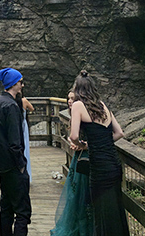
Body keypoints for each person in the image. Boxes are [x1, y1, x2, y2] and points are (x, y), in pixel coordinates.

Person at [69, 70, 129, 236]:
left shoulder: (78, 106)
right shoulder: (102, 105)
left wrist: (82, 145)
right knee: (115, 209)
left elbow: (73, 136)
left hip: (99, 167)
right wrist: (100, 142)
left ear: (77, 89)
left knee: (100, 211)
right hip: (113, 164)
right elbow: (119, 133)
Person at [0, 67, 32, 236]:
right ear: (14, 83)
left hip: (1, 163)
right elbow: (15, 141)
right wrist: (21, 164)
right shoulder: (11, 106)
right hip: (13, 166)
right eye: (21, 82)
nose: (22, 85)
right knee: (22, 212)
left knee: (6, 207)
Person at [50, 91, 92, 236]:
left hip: (84, 157)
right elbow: (72, 136)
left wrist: (81, 144)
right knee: (74, 194)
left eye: (72, 98)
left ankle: (84, 225)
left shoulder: (84, 112)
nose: (69, 101)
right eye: (68, 98)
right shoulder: (74, 112)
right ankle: (76, 224)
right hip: (78, 158)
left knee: (82, 193)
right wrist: (73, 143)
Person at [19, 94, 34, 183]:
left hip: (17, 124)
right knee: (25, 146)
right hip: (23, 124)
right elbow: (32, 109)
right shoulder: (24, 100)